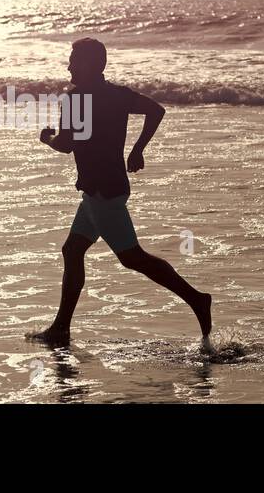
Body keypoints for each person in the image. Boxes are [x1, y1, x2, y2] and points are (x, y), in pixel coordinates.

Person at [28, 37, 213, 353]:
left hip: (102, 192)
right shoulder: (116, 95)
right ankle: (61, 328)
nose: (69, 65)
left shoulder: (75, 100)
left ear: (91, 64)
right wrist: (137, 150)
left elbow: (66, 144)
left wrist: (47, 138)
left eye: (75, 59)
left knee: (132, 258)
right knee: (73, 250)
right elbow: (156, 110)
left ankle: (197, 299)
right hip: (99, 190)